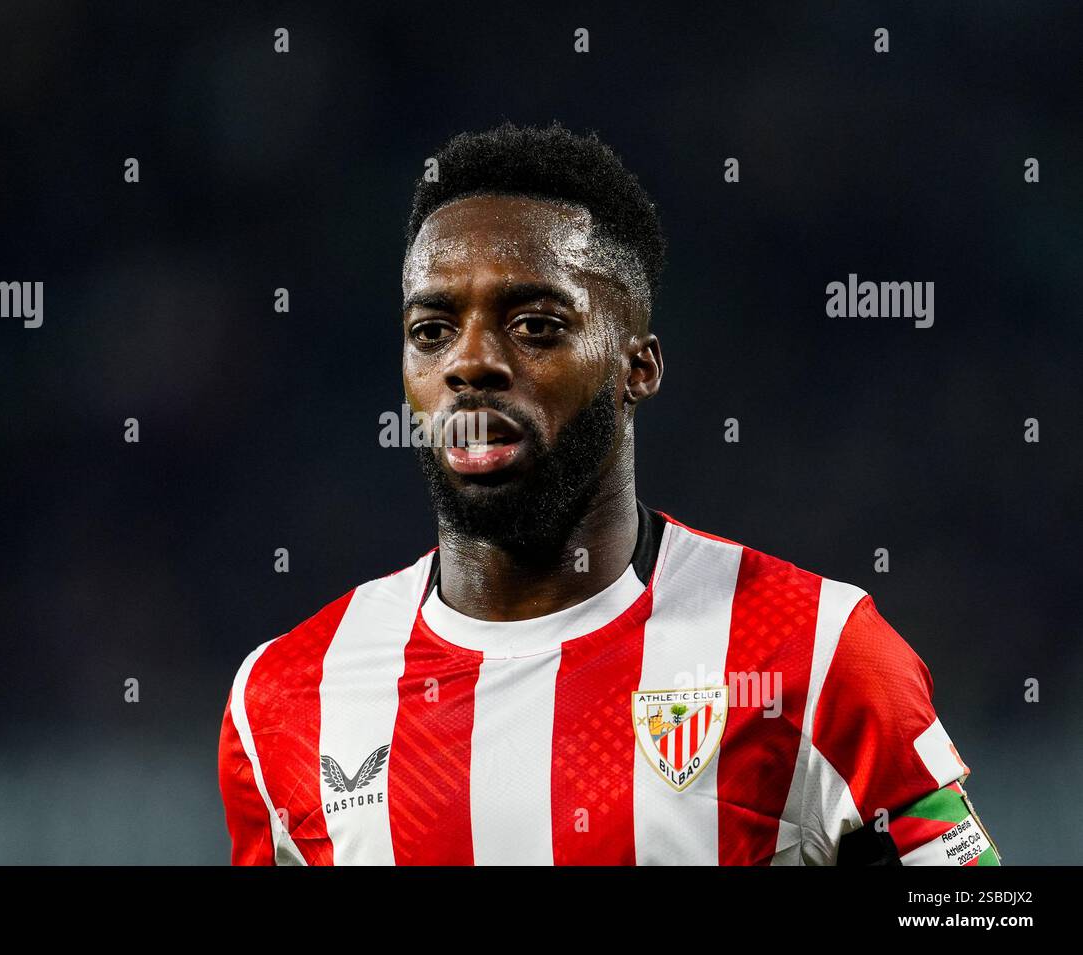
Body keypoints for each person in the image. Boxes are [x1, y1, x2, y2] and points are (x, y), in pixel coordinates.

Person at [218, 121, 999, 866]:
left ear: (639, 367)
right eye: (432, 331)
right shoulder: (286, 698)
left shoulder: (821, 652)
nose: (471, 362)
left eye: (534, 325)